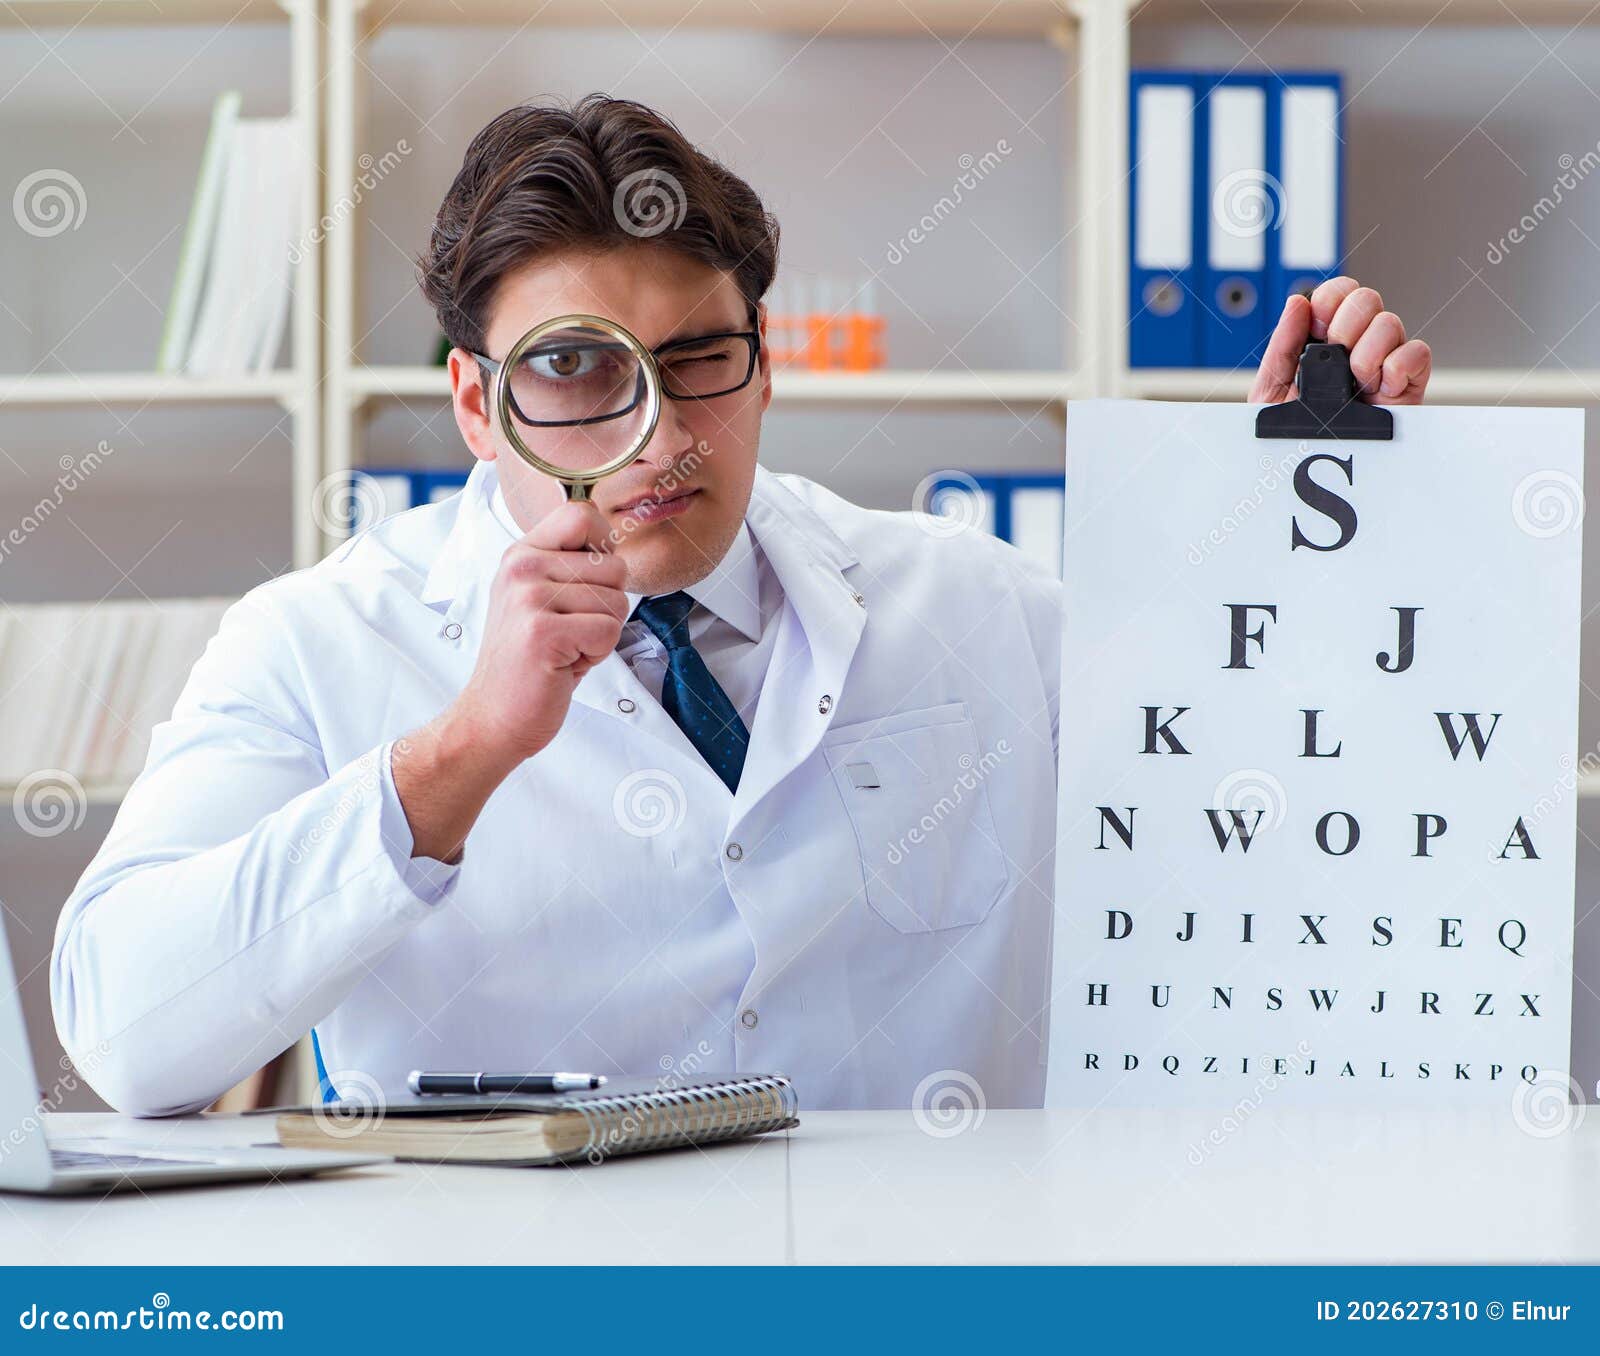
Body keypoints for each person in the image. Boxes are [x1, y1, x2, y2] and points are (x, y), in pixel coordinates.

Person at [50, 95, 1432, 1115]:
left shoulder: (980, 604)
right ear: (476, 404)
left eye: (698, 358)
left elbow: (1277, 824)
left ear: (765, 365)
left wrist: (1313, 525)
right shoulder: (318, 642)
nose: (657, 437)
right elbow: (123, 1038)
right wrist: (461, 753)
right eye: (577, 371)